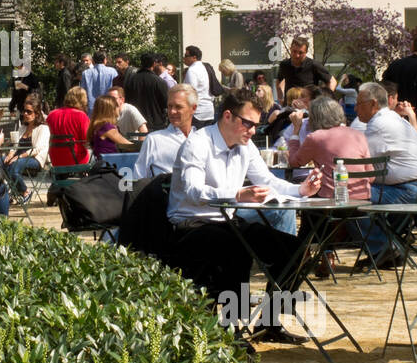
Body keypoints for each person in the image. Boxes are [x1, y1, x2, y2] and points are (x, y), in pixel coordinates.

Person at [167, 92, 321, 343]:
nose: (252, 131)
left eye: (256, 125)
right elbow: (193, 191)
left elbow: (268, 182)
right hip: (191, 222)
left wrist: (301, 190)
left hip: (228, 221)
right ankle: (231, 330)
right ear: (228, 116)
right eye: (247, 123)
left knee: (296, 251)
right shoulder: (197, 143)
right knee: (238, 249)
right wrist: (237, 194)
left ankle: (268, 322)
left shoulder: (245, 146)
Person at [351, 82, 417, 269]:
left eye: (359, 103)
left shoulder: (378, 124)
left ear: (374, 104)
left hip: (405, 191)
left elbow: (364, 163)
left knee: (347, 200)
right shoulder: (394, 119)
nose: (355, 108)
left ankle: (382, 249)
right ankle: (386, 248)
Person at [285, 95, 372, 200]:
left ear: (314, 118)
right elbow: (371, 176)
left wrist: (296, 130)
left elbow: (294, 162)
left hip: (330, 202)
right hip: (363, 200)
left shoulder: (316, 137)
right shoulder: (359, 135)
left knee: (304, 191)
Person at [134, 83, 197, 178]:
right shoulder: (154, 140)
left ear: (193, 108)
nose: (172, 111)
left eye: (178, 107)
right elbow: (138, 177)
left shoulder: (203, 139)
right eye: (170, 106)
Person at [0, 92, 50, 201]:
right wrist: (11, 154)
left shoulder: (43, 128)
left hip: (34, 159)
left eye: (29, 111)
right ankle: (5, 191)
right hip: (18, 157)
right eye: (24, 111)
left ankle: (25, 192)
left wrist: (18, 157)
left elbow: (37, 149)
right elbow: (16, 145)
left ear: (37, 114)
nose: (25, 114)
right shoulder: (22, 127)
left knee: (14, 166)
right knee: (0, 161)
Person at [276, 36, 335, 102]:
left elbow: (332, 81)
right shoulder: (284, 65)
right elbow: (279, 81)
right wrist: (280, 98)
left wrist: (326, 100)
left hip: (308, 107)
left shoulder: (313, 65)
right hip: (289, 106)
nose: (297, 55)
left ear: (306, 52)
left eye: (300, 53)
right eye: (294, 51)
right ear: (290, 49)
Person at [46, 86, 90, 166]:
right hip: (76, 159)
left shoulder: (52, 114)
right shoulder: (81, 116)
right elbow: (86, 139)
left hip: (55, 159)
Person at [129, 53, 169, 131]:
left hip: (136, 123)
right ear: (154, 63)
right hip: (155, 123)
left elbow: (128, 100)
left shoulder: (131, 80)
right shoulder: (159, 81)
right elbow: (165, 102)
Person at [182, 45, 216, 127]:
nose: (184, 58)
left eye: (186, 56)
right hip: (209, 110)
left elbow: (189, 92)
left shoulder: (192, 70)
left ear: (194, 57)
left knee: (194, 137)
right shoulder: (206, 68)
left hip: (197, 112)